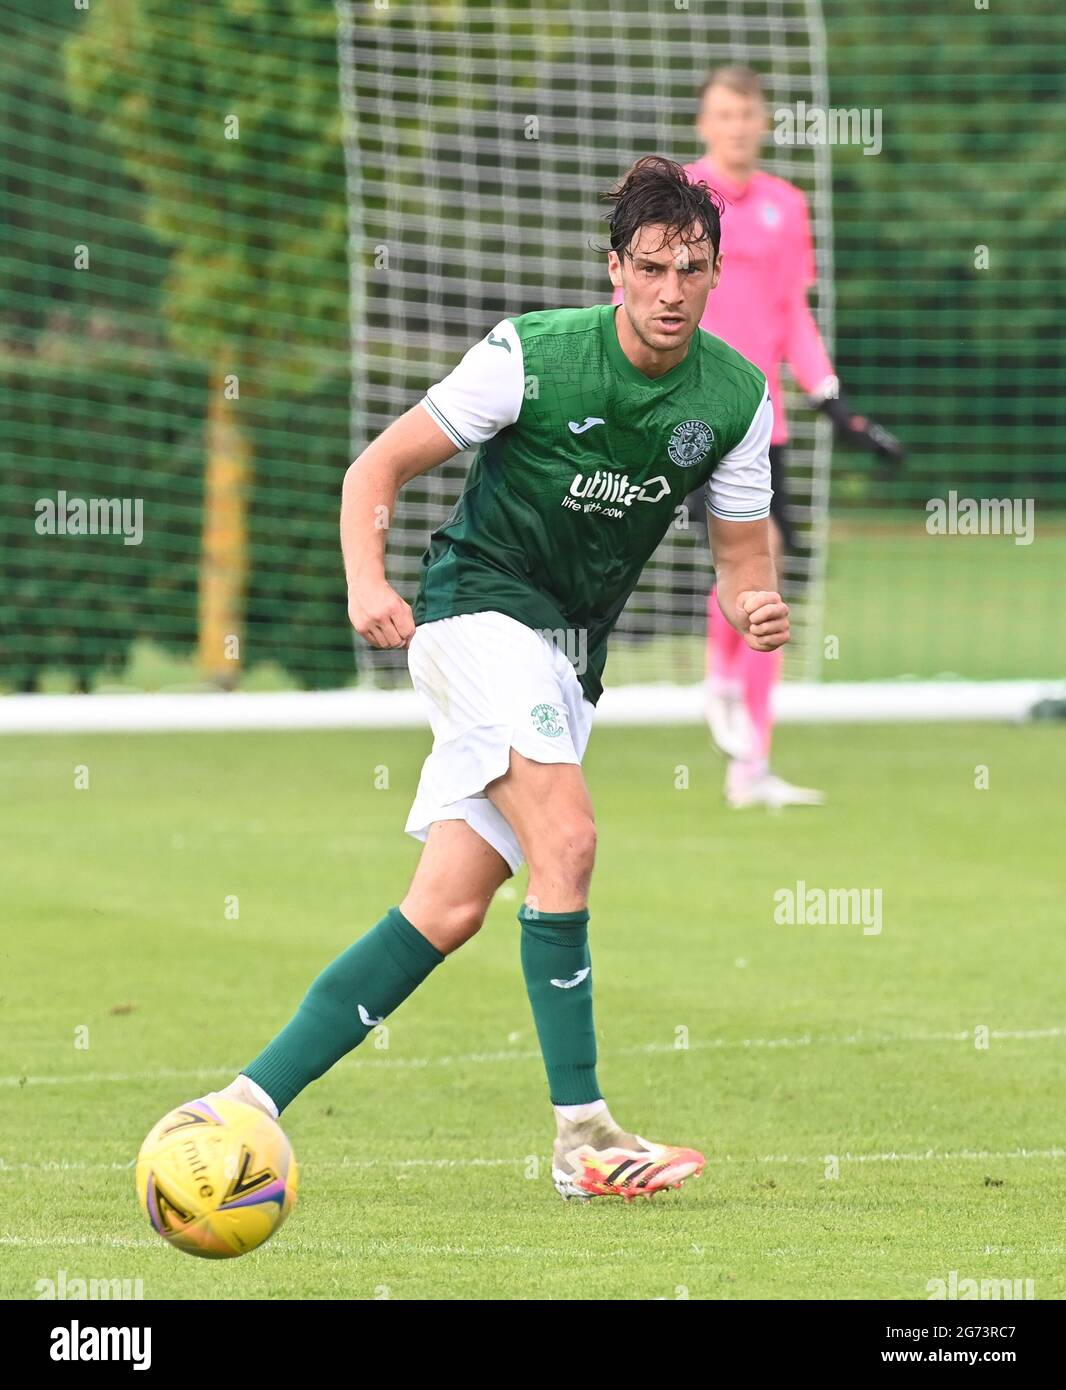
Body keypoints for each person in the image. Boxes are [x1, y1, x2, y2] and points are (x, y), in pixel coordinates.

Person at [196, 157, 789, 1201]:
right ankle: (583, 1136)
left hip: (568, 662)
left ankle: (243, 1099)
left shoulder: (736, 398)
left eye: (688, 269)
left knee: (449, 908)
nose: (667, 289)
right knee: (570, 838)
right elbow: (373, 468)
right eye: (648, 266)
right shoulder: (530, 356)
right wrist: (365, 579)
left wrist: (754, 604)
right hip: (474, 613)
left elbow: (741, 556)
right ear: (615, 269)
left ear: (711, 273)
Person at [619, 65, 903, 808]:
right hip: (683, 408)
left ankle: (750, 760)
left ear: (764, 122)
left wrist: (835, 400)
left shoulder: (786, 206)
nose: (738, 125)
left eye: (749, 113)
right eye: (724, 113)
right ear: (703, 123)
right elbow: (634, 290)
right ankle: (713, 691)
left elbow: (792, 318)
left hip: (760, 419)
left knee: (761, 575)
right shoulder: (678, 200)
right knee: (743, 563)